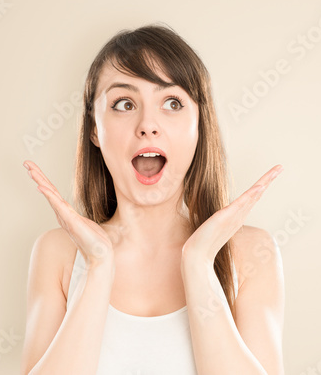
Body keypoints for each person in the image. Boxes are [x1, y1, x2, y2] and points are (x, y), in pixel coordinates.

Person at [20, 24, 285, 375]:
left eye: (172, 103)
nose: (148, 124)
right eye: (124, 104)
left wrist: (199, 263)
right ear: (95, 129)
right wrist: (98, 266)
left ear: (199, 124)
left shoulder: (249, 253)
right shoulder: (59, 253)